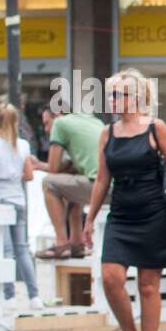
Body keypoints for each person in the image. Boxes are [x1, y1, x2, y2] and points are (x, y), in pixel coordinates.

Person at [83, 69, 166, 331]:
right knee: (110, 276)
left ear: (139, 97)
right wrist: (89, 217)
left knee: (148, 286)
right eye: (111, 94)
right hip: (121, 215)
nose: (114, 100)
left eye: (120, 94)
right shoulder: (108, 133)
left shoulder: (157, 128)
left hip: (155, 213)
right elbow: (102, 179)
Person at [0, 102, 42, 311]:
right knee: (22, 249)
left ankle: (9, 295)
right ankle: (34, 295)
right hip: (19, 198)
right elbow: (29, 175)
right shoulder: (23, 146)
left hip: (0, 200)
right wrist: (13, 176)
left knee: (6, 250)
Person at [37, 103, 106, 260]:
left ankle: (61, 244)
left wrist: (39, 166)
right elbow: (75, 167)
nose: (47, 129)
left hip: (99, 187)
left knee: (49, 183)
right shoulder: (93, 121)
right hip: (111, 185)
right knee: (73, 183)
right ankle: (76, 243)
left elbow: (53, 169)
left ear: (58, 116)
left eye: (47, 123)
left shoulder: (61, 123)